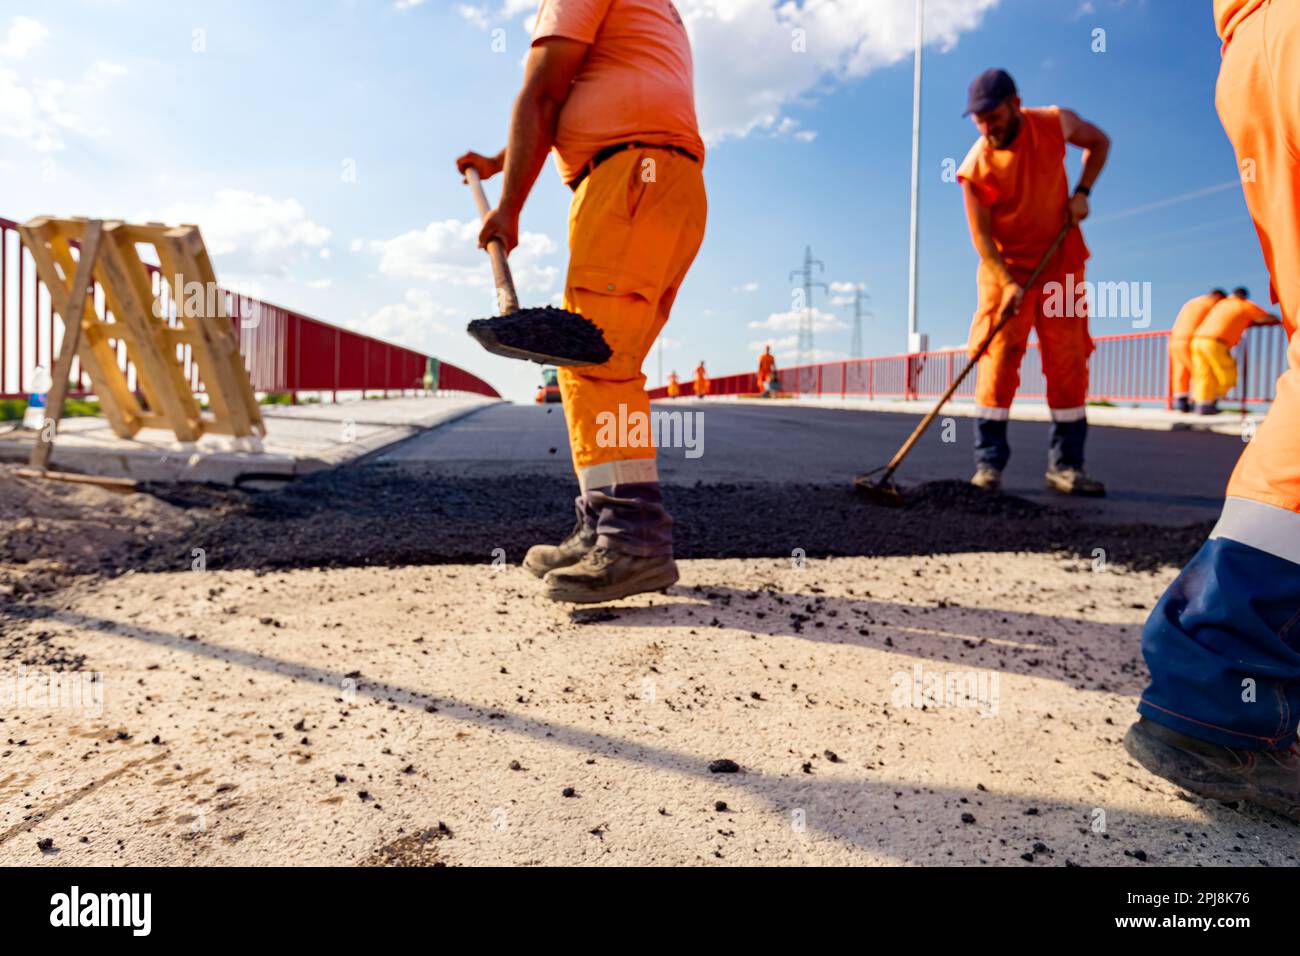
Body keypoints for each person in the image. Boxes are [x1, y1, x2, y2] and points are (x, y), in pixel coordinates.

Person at [457, 0, 707, 604]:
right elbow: (583, 93)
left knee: (597, 361)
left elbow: (542, 95)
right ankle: (601, 522)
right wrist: (500, 161)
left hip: (629, 176)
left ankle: (633, 540)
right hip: (663, 181)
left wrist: (508, 208)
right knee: (592, 364)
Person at [1124, 0, 1300, 821]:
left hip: (1250, 47)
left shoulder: (1201, 305)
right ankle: (1226, 673)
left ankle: (1222, 678)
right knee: (1230, 367)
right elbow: (1261, 316)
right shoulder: (1225, 310)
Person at [956, 68, 1110, 496]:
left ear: (1015, 102)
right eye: (979, 120)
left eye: (993, 116)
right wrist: (1007, 283)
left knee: (1068, 358)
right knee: (999, 356)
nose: (988, 128)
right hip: (1004, 270)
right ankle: (988, 465)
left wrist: (1082, 193)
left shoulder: (1053, 123)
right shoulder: (976, 169)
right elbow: (982, 239)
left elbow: (1099, 142)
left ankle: (1067, 465)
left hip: (1060, 262)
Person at [1190, 287, 1280, 414]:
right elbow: (1267, 317)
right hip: (1216, 341)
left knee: (1204, 374)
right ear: (1243, 296)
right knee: (1227, 374)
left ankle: (1202, 405)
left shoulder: (1221, 304)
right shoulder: (1244, 305)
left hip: (1197, 340)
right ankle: (1213, 400)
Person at [1169, 289, 1226, 412]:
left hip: (1175, 339)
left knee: (1181, 372)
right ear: (1217, 296)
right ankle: (1204, 404)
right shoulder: (1212, 305)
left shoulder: (1192, 302)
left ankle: (1181, 403)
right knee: (1202, 372)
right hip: (1193, 339)